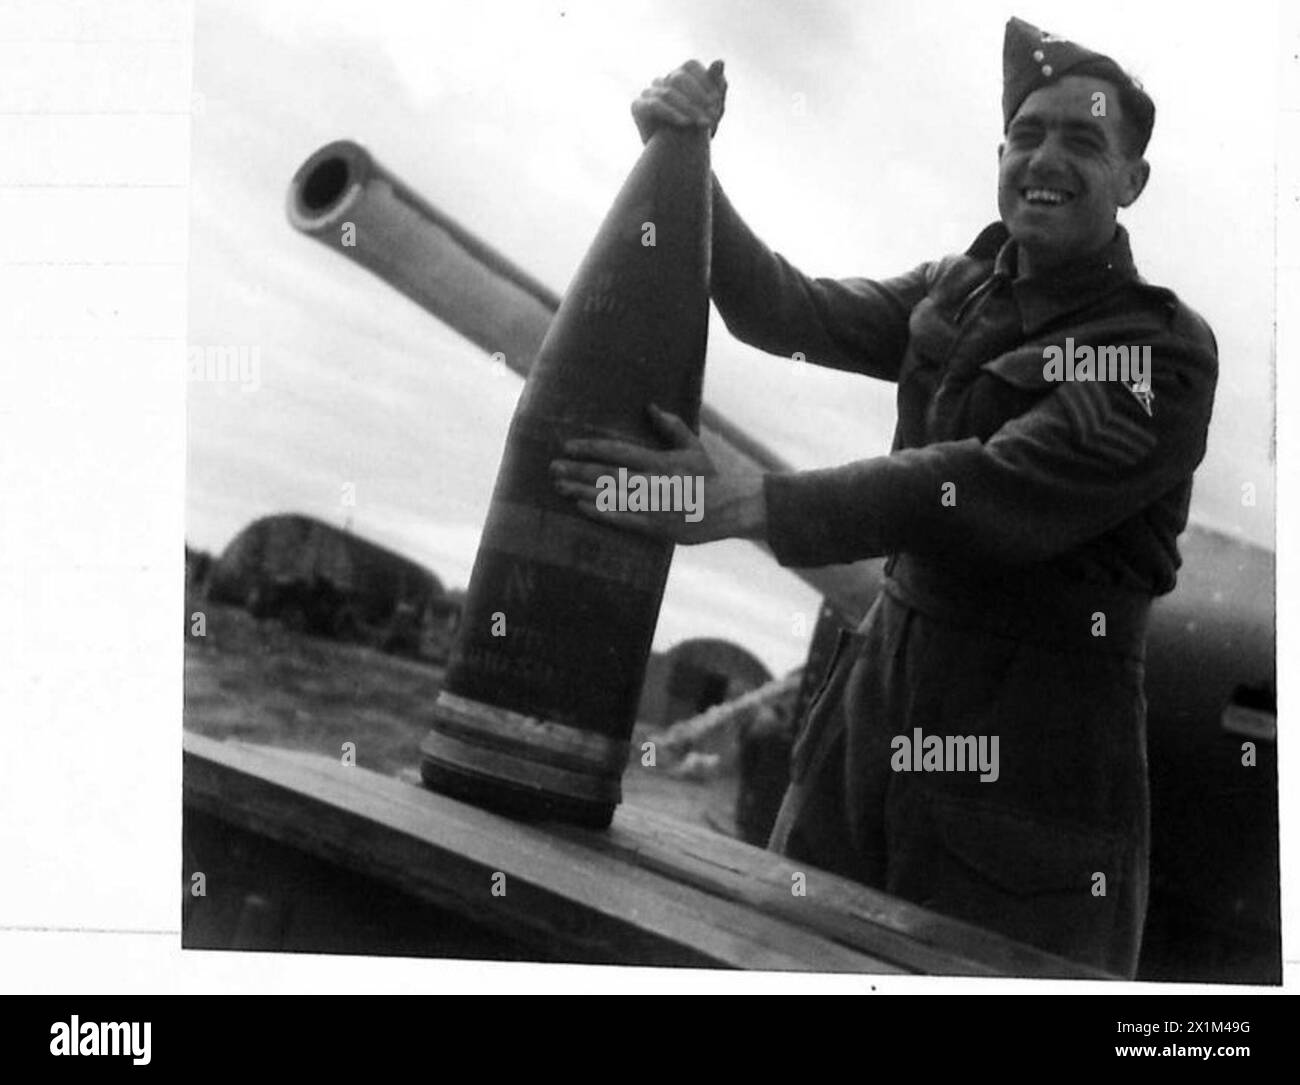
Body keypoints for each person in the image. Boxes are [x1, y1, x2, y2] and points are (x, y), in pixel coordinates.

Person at [549, 18, 1218, 977]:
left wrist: (751, 505)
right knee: (789, 956)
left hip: (1033, 747)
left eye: (1084, 141)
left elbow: (989, 486)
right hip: (875, 706)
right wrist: (684, 151)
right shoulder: (957, 289)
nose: (1047, 159)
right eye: (1029, 135)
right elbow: (782, 309)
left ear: (1132, 182)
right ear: (1000, 155)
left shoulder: (1158, 348)